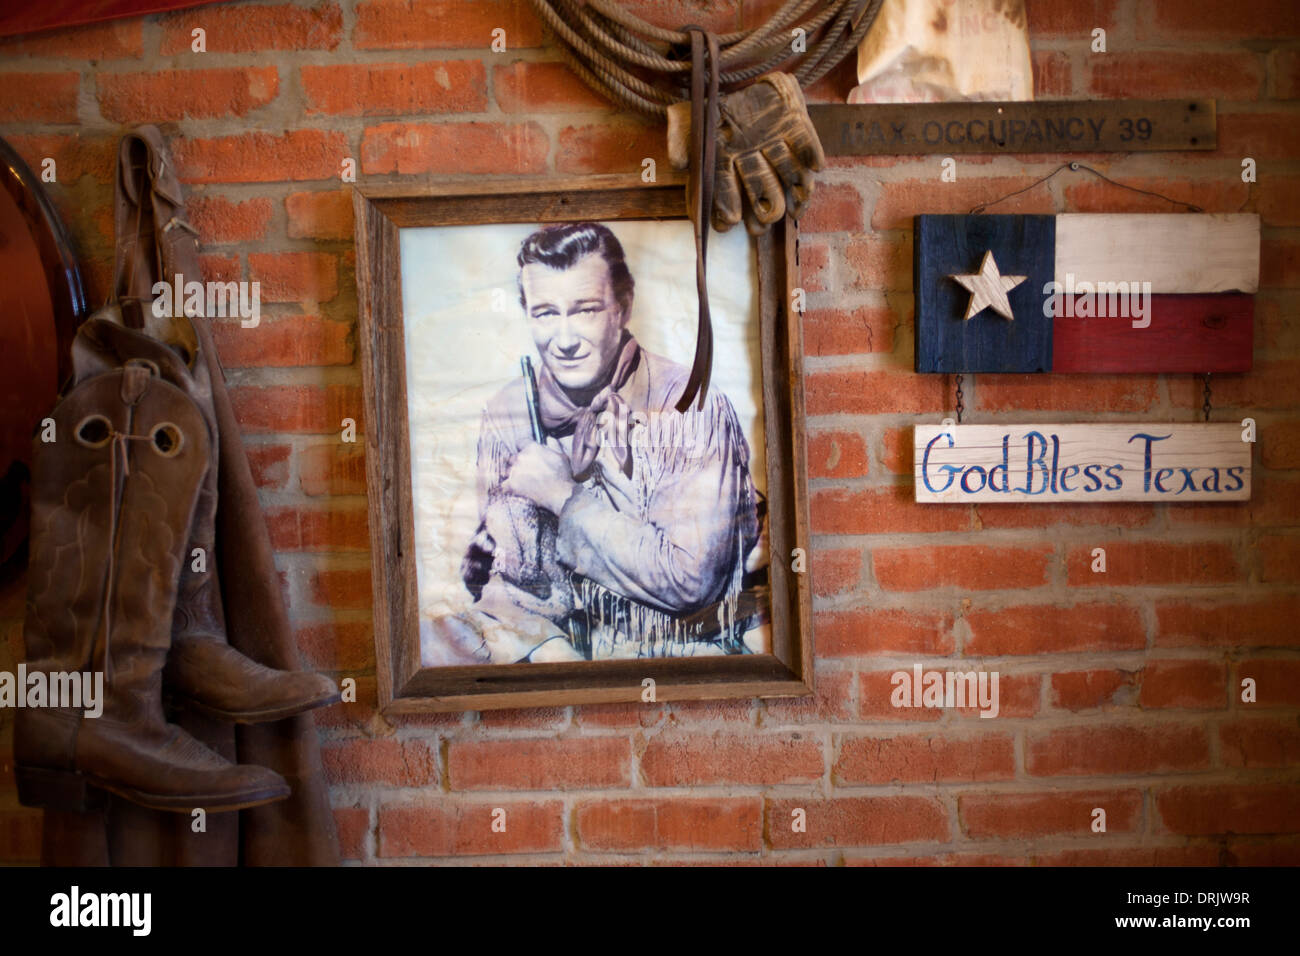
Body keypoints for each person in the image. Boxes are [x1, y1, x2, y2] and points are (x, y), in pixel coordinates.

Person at [430, 222, 765, 664]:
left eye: (585, 310)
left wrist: (563, 497)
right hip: (546, 654)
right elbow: (498, 575)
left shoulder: (688, 405)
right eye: (546, 313)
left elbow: (690, 582)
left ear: (623, 308)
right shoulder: (506, 411)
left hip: (676, 656)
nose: (565, 340)